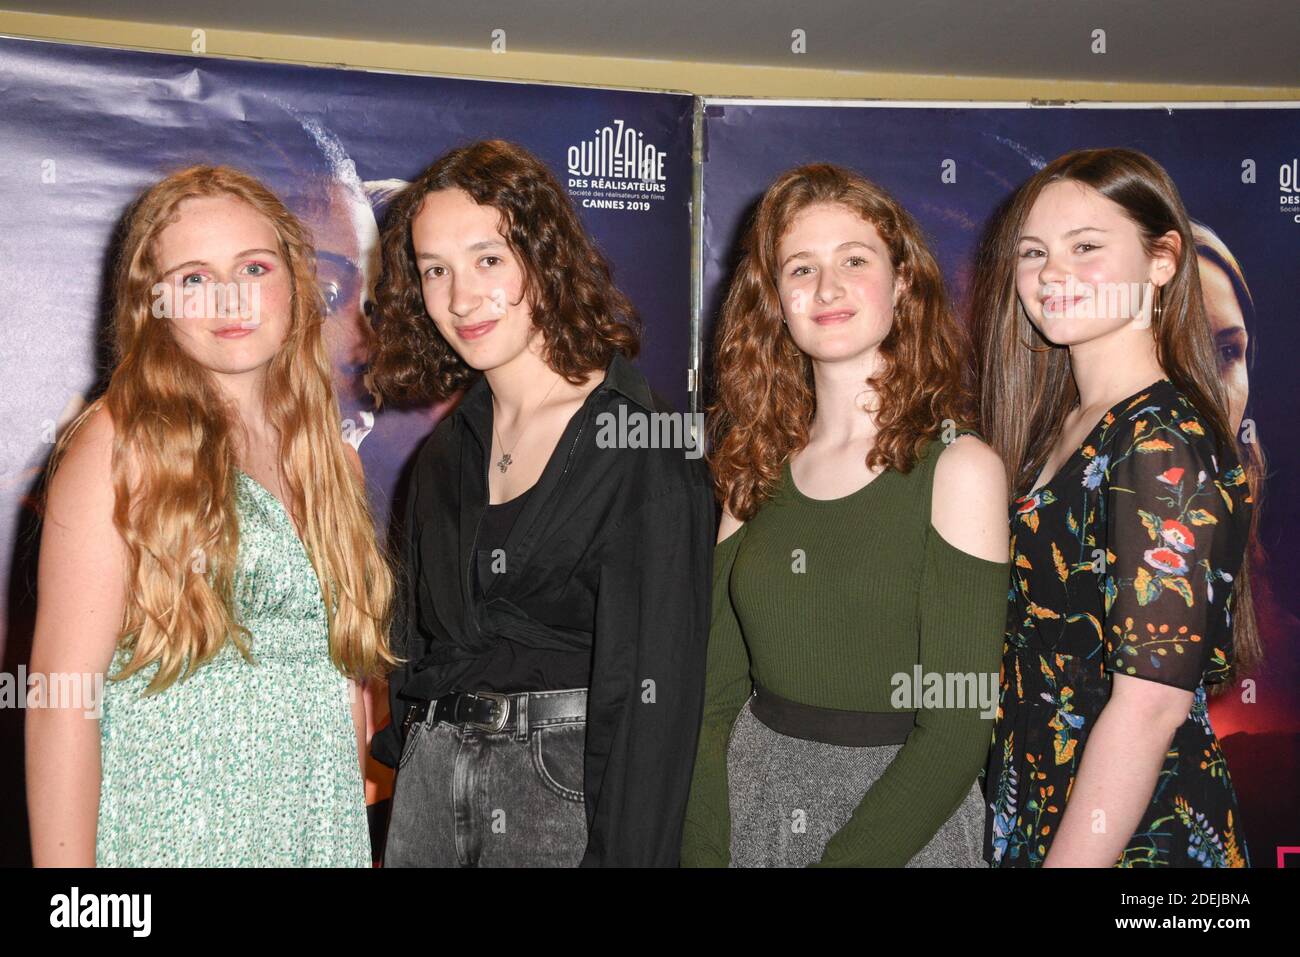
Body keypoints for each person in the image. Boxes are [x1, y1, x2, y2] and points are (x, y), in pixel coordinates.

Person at [25, 165, 396, 867]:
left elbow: (344, 691)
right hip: (170, 837)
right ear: (152, 301)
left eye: (253, 266)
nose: (230, 296)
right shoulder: (122, 444)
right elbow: (60, 699)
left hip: (313, 832)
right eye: (194, 277)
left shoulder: (332, 464)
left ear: (295, 281)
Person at [368, 139, 713, 867]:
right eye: (436, 270)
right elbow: (414, 651)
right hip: (431, 788)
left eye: (488, 258)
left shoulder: (644, 442)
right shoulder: (442, 455)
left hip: (560, 797)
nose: (461, 298)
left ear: (545, 257)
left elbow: (659, 705)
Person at [681, 163, 1010, 867]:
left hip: (902, 826)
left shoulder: (960, 467)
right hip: (755, 802)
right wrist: (703, 851)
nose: (826, 288)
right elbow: (712, 700)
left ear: (901, 282)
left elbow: (958, 727)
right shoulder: (754, 462)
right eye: (800, 268)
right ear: (774, 300)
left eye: (853, 260)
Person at [974, 147, 1258, 867]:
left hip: (1137, 846)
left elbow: (1149, 704)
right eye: (1034, 252)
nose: (1052, 273)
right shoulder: (1060, 431)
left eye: (1087, 247)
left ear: (1162, 261)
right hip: (1047, 815)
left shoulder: (1162, 440)